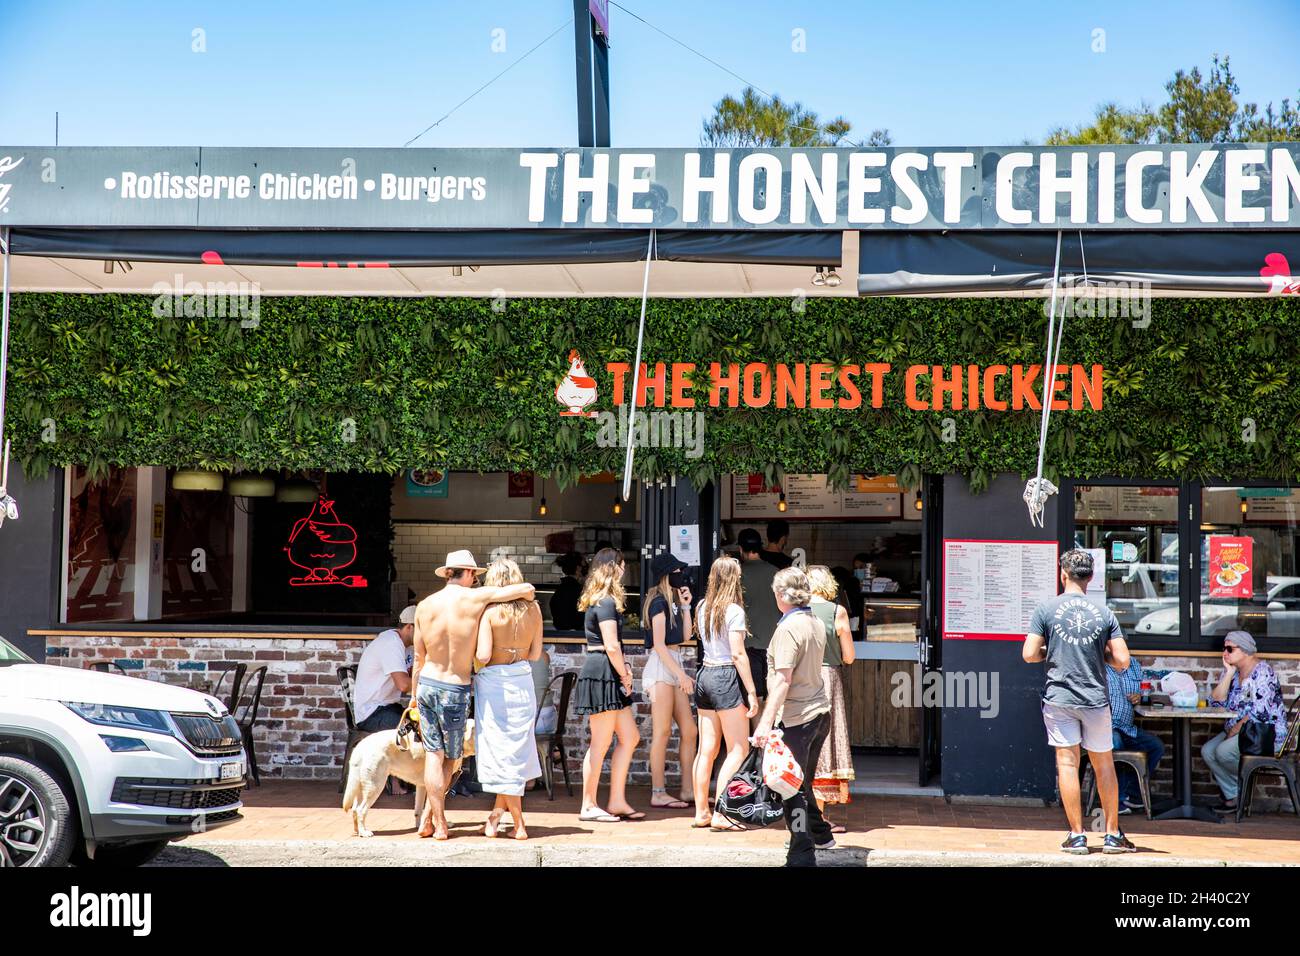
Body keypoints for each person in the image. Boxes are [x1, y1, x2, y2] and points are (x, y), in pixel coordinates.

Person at [410, 549, 535, 840]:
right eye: (474, 575)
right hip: (454, 687)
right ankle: (438, 823)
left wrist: (413, 696)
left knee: (433, 754)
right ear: (466, 573)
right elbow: (526, 589)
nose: (476, 581)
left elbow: (418, 658)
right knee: (451, 760)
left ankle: (433, 820)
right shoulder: (474, 598)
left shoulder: (425, 606)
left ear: (447, 572)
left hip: (427, 683)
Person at [1023, 548, 1134, 854]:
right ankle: (1112, 835)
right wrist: (1100, 654)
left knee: (1067, 763)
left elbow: (1030, 654)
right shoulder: (1104, 613)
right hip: (1095, 699)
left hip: (1059, 697)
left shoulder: (1046, 610)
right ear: (1091, 578)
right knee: (1104, 765)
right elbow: (1122, 660)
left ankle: (1077, 835)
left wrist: (1053, 651)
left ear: (1063, 575)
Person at [753, 566, 836, 867]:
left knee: (790, 787)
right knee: (801, 782)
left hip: (797, 717)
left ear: (781, 594)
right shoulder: (813, 621)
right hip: (818, 713)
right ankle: (822, 834)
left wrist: (764, 723)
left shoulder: (788, 629)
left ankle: (801, 853)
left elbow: (782, 681)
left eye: (775, 590)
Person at [474, 558, 544, 839]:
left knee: (501, 753)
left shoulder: (489, 612)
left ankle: (519, 824)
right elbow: (536, 654)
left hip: (494, 684)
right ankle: (495, 815)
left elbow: (482, 655)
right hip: (523, 681)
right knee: (515, 751)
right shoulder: (535, 609)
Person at [574, 547, 644, 822]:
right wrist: (625, 673)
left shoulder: (600, 601)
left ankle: (616, 801)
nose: (625, 571)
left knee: (630, 738)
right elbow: (612, 645)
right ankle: (588, 805)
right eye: (623, 566)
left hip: (606, 670)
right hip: (604, 670)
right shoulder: (605, 603)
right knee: (600, 743)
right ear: (614, 568)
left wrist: (622, 671)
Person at [690, 556, 758, 830]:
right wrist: (752, 692)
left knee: (707, 749)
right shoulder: (734, 611)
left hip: (704, 675)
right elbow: (738, 654)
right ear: (734, 580)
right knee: (738, 748)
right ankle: (721, 813)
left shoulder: (702, 606)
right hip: (726, 676)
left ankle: (701, 812)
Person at [1202, 630, 1288, 813]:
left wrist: (1236, 730)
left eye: (1229, 649)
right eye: (1223, 648)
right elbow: (1215, 702)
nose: (1224, 653)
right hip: (1239, 730)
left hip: (1264, 732)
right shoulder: (1234, 673)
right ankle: (1235, 794)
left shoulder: (1263, 672)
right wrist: (1228, 673)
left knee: (1223, 752)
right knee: (1208, 751)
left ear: (1245, 649)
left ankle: (1242, 788)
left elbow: (1261, 711)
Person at [642, 552, 698, 810]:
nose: (681, 575)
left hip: (673, 665)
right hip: (663, 667)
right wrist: (681, 674)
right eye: (677, 571)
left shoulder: (672, 601)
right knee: (662, 732)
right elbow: (660, 646)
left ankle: (688, 790)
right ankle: (658, 791)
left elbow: (686, 636)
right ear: (666, 574)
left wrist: (686, 605)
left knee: (690, 730)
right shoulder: (657, 603)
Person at [806, 566, 856, 828]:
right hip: (827, 679)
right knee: (827, 742)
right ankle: (820, 818)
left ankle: (803, 815)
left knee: (804, 739)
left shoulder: (796, 610)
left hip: (800, 679)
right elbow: (849, 656)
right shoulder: (837, 611)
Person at [1105, 656, 1164, 814]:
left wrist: (1139, 696)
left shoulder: (1133, 665)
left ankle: (1132, 795)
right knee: (1117, 745)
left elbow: (1142, 691)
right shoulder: (1097, 664)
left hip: (1127, 727)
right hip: (1104, 727)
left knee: (1155, 746)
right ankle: (1116, 800)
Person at [737, 528, 778, 728]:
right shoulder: (775, 573)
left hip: (748, 644)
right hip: (774, 644)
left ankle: (758, 746)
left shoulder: (738, 574)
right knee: (773, 695)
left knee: (755, 697)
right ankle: (768, 742)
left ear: (740, 549)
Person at [354, 605, 416, 732]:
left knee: (425, 723)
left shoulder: (409, 646)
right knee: (414, 730)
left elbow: (416, 677)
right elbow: (404, 685)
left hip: (389, 707)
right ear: (410, 627)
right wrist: (431, 686)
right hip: (371, 713)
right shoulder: (391, 642)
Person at [549, 552, 586, 631]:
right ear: (578, 569)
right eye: (584, 566)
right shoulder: (578, 591)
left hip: (562, 633)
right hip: (577, 636)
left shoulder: (560, 590)